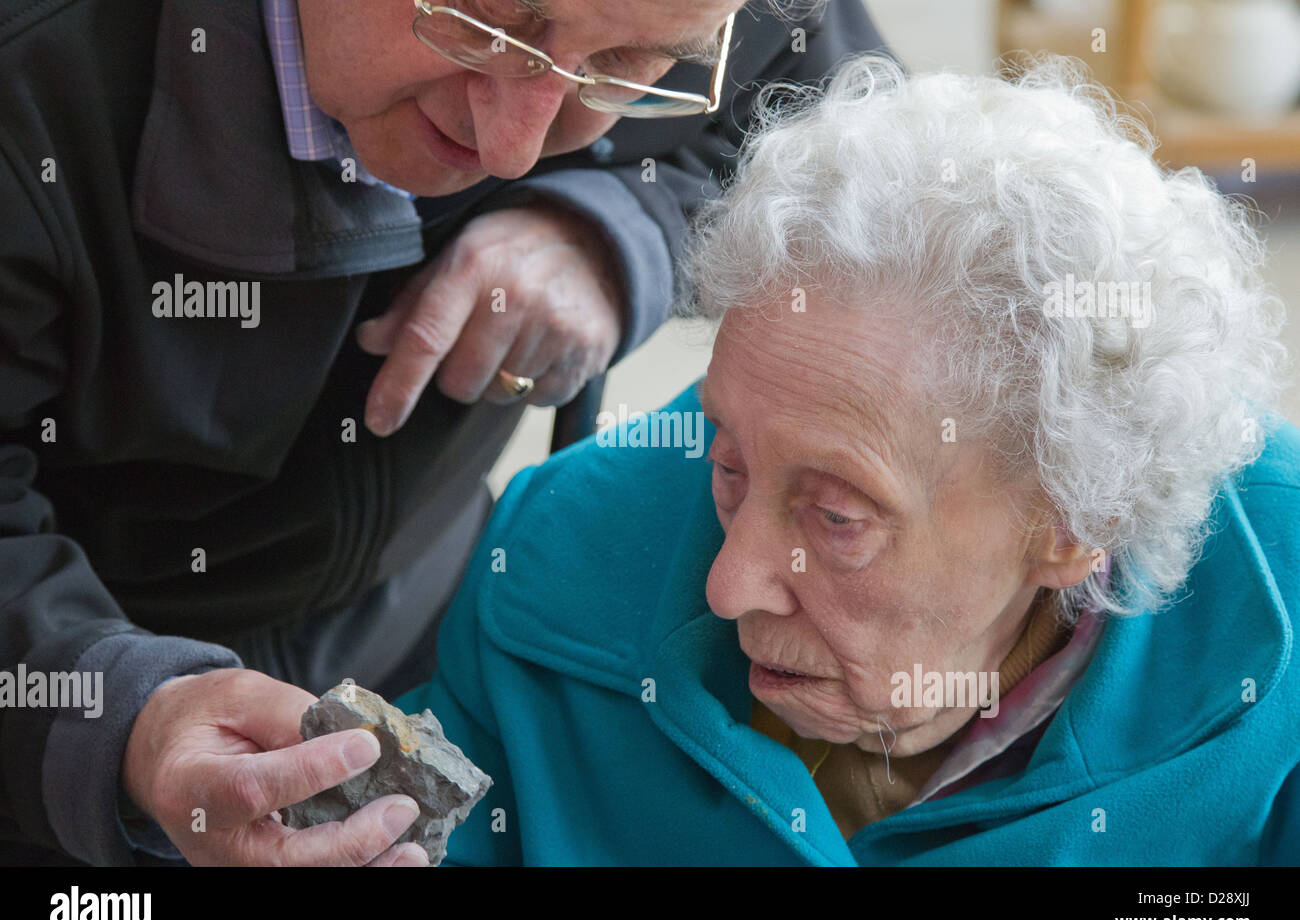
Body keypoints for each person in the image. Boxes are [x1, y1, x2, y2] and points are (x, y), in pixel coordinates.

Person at [0, 0, 890, 865]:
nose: (514, 146)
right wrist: (124, 718)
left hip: (430, 632)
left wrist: (620, 231)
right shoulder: (31, 83)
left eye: (629, 65)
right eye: (491, 22)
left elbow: (864, 159)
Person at [396, 53, 1300, 864]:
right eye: (729, 466)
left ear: (1076, 521)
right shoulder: (553, 563)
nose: (730, 585)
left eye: (838, 520)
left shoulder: (1278, 613)